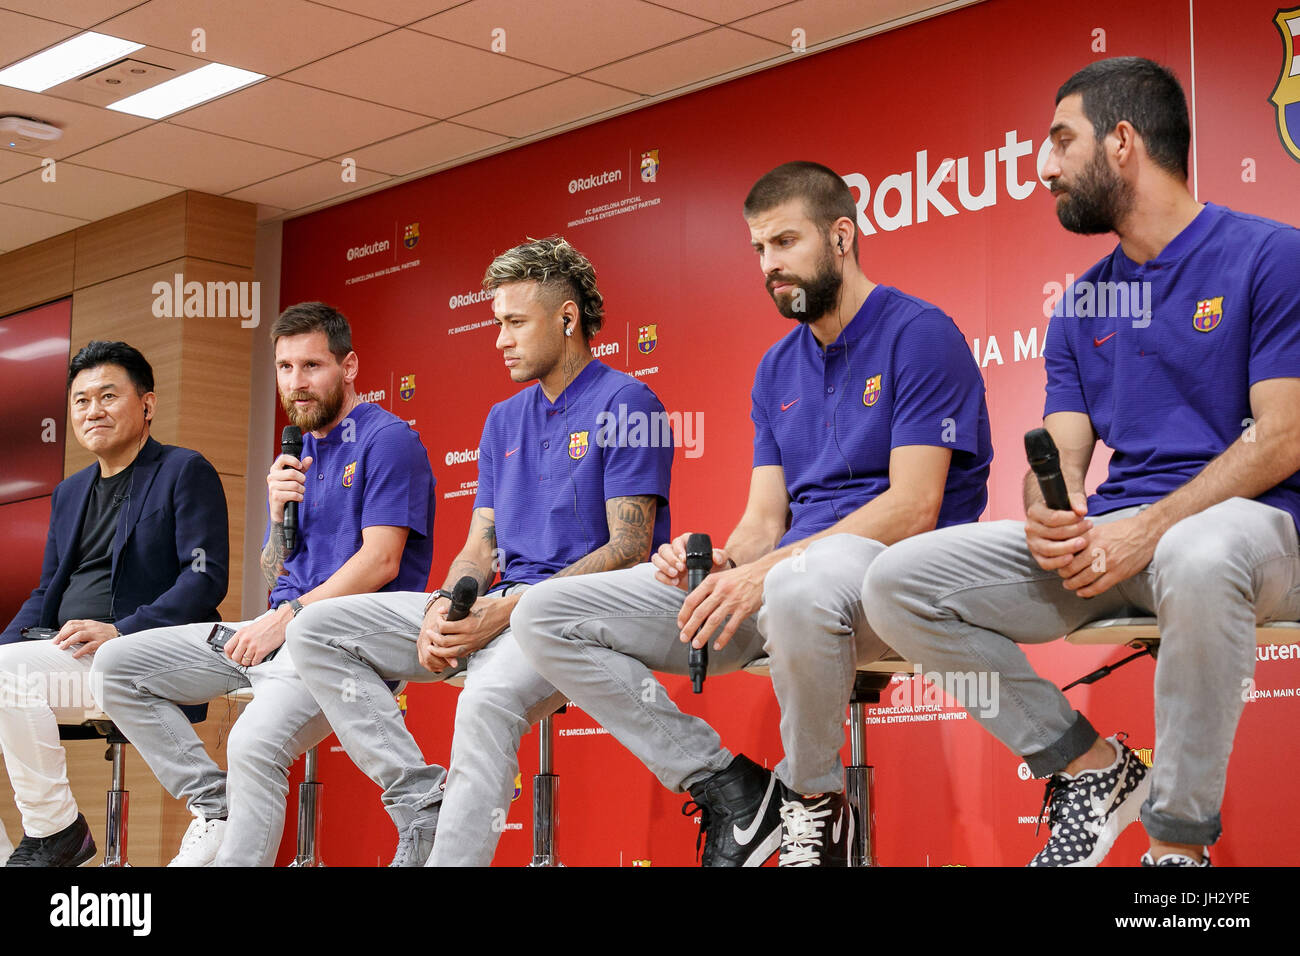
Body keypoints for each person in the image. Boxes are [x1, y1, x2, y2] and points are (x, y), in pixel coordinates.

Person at [865, 57, 1300, 867]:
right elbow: (1059, 454)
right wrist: (1048, 509)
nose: (1045, 166)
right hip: (1119, 540)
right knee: (897, 583)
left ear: (1124, 141)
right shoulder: (1082, 305)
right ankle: (1089, 768)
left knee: (1199, 552)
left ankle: (1176, 847)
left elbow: (1281, 437)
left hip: (1259, 535)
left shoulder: (1272, 257)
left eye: (1062, 140)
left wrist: (1149, 528)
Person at [511, 162, 993, 867]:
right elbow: (765, 519)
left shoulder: (920, 334)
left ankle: (815, 805)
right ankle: (732, 788)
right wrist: (723, 563)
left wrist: (765, 571)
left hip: (891, 579)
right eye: (759, 250)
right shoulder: (775, 367)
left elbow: (914, 506)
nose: (770, 266)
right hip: (784, 581)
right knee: (542, 612)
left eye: (785, 243)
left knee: (799, 584)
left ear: (842, 236)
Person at [290, 237, 673, 866]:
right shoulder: (502, 418)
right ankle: (419, 798)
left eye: (515, 323)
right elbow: (481, 541)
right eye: (498, 323)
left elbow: (630, 548)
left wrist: (513, 608)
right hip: (503, 609)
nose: (499, 339)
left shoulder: (629, 401)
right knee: (320, 626)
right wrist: (449, 600)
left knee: (484, 701)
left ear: (567, 318)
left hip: (581, 617)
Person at [91, 303, 435, 866]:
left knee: (251, 744)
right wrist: (276, 516)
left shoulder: (387, 440)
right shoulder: (299, 451)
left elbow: (381, 562)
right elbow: (276, 571)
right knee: (117, 665)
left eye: (311, 366)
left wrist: (285, 618)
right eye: (284, 368)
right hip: (274, 632)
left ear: (349, 366)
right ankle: (216, 803)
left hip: (339, 646)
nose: (295, 384)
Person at [0, 341, 228, 866]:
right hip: (69, 658)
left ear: (147, 404)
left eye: (107, 395)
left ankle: (55, 834)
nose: (92, 410)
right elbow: (44, 594)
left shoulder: (184, 470)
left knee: (10, 674)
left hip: (147, 657)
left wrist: (122, 630)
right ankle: (51, 829)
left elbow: (204, 578)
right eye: (81, 401)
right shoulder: (69, 492)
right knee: (4, 669)